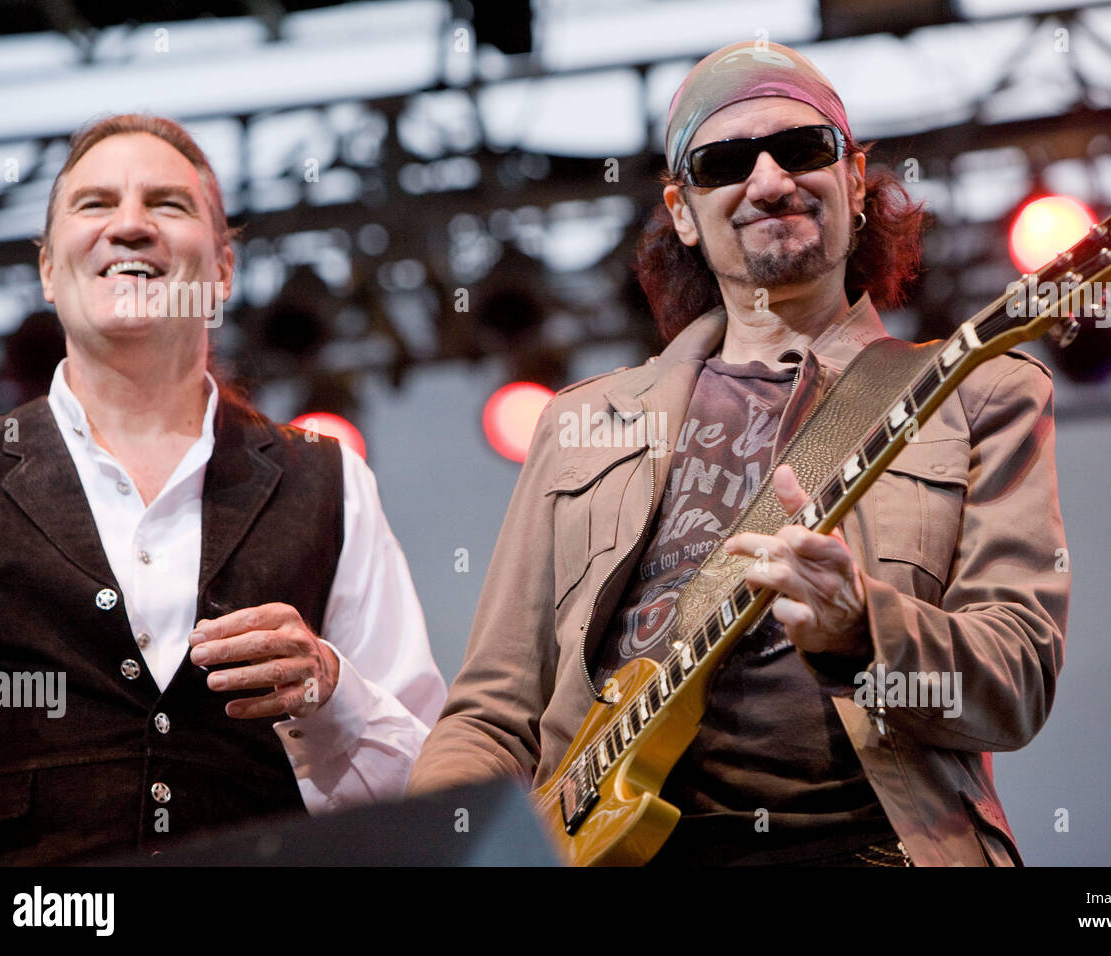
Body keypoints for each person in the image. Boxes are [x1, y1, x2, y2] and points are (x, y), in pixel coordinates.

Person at [407, 41, 1068, 866]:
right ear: (682, 210)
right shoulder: (586, 420)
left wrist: (865, 630)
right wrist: (437, 839)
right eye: (724, 163)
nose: (768, 181)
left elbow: (1016, 679)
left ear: (855, 181)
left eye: (800, 150)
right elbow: (494, 716)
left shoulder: (975, 392)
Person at [0, 114, 446, 864]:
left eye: (168, 204)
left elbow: (429, 796)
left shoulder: (327, 479)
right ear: (48, 270)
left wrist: (333, 686)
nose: (129, 226)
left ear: (222, 269)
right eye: (94, 204)